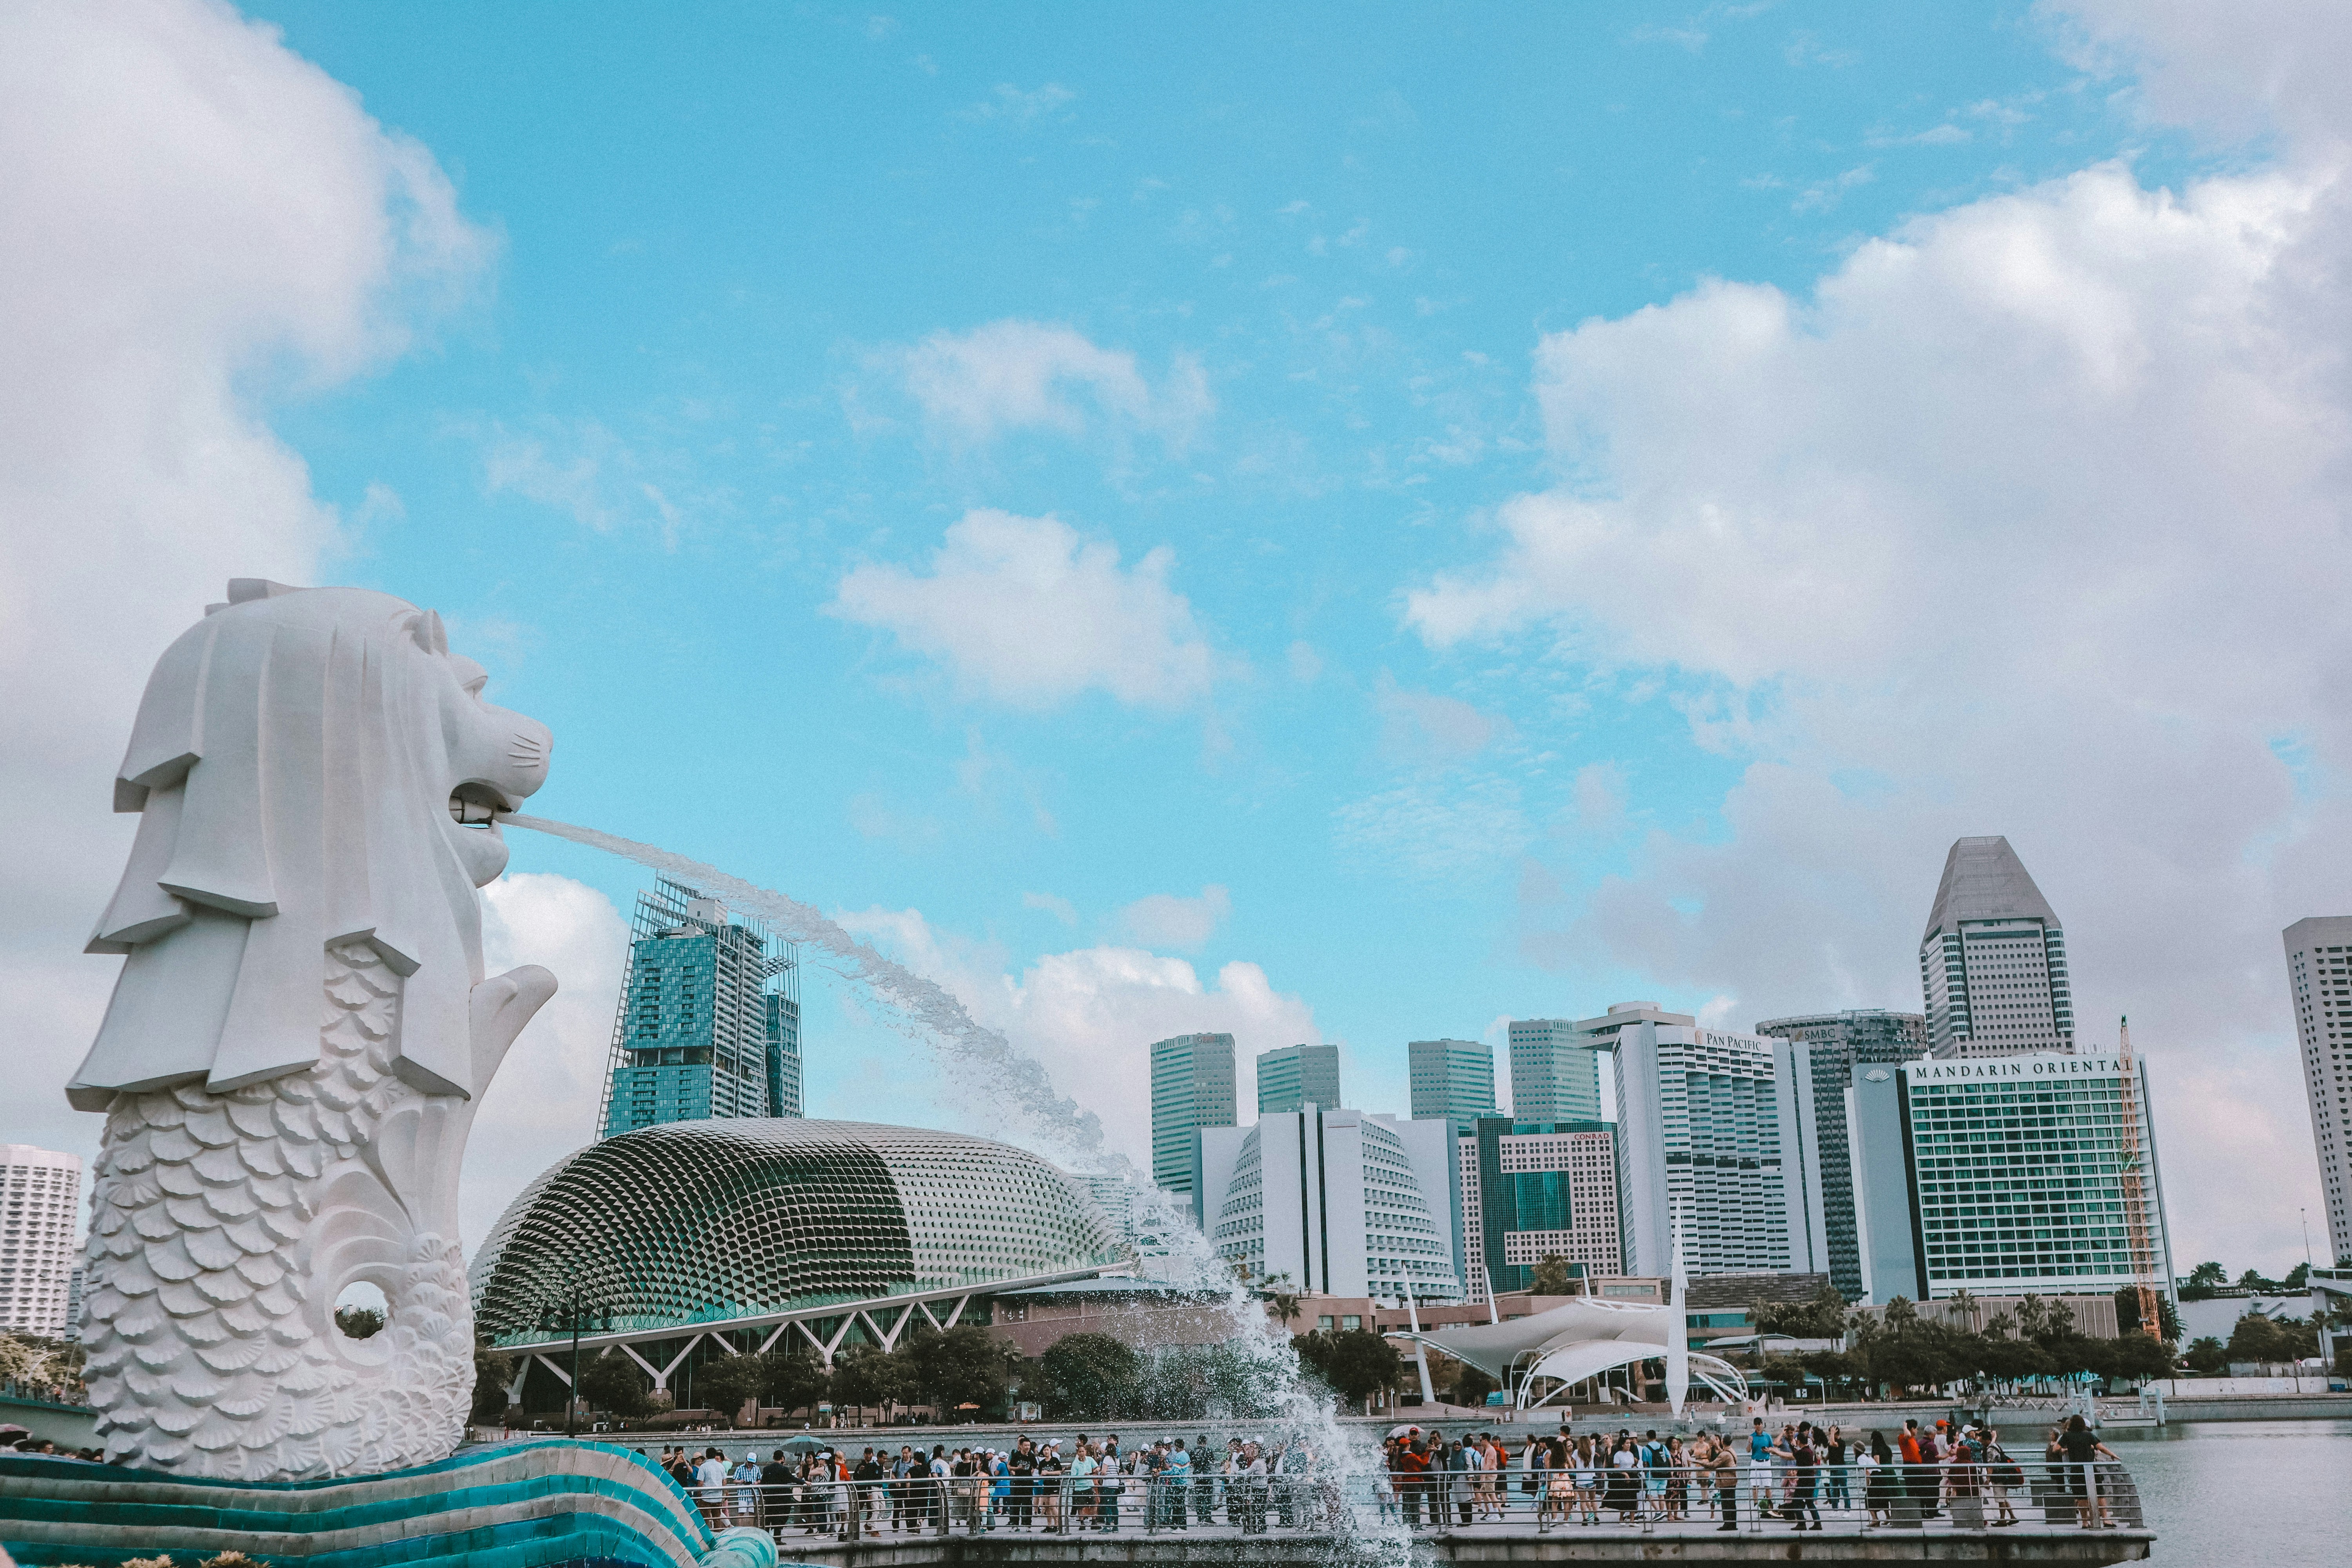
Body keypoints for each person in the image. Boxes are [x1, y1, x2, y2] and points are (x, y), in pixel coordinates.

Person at [2053, 1415, 2120, 1529]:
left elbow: (2056, 1449)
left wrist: (2068, 1448)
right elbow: (2100, 1447)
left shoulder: (2067, 1436)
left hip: (2076, 1470)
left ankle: (2085, 1522)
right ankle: (2106, 1520)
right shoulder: (2088, 1435)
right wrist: (2112, 1454)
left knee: (2081, 1496)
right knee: (2100, 1493)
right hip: (2090, 1468)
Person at [1698, 1434, 1739, 1532]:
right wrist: (1717, 1446)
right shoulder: (1731, 1451)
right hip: (1732, 1481)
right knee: (1731, 1503)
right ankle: (1732, 1524)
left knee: (1726, 1503)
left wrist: (1700, 1462)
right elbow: (1723, 1454)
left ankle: (1728, 1524)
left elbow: (1713, 1465)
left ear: (1723, 1442)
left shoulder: (1725, 1454)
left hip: (1726, 1481)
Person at [1982, 1426, 2022, 1526]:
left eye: (1982, 1440)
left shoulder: (1990, 1450)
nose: (1981, 1442)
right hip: (2004, 1476)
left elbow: (1991, 1466)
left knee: (2000, 1500)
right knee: (2003, 1498)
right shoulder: (1996, 1446)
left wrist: (1988, 1479)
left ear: (1986, 1440)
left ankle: (2002, 1520)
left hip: (1998, 1477)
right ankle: (2012, 1517)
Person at [1786, 1426, 1821, 1530]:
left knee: (1796, 1501)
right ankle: (1817, 1523)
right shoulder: (1809, 1451)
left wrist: (1791, 1445)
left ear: (1799, 1442)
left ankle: (1802, 1523)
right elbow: (1796, 1454)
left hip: (1804, 1481)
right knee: (1810, 1503)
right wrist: (1793, 1446)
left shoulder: (1803, 1452)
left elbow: (1795, 1455)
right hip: (1810, 1480)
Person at [1862, 1432, 1896, 1527]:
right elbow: (1893, 1463)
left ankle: (1875, 1519)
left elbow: (1878, 1464)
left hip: (1881, 1476)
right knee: (1886, 1496)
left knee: (1869, 1496)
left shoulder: (1876, 1450)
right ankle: (1889, 1517)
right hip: (1891, 1475)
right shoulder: (1888, 1449)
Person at [694, 1447, 730, 1528]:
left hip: (706, 1497)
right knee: (717, 1519)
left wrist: (699, 1495)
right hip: (717, 1497)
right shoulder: (721, 1466)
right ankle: (718, 1533)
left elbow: (700, 1483)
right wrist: (723, 1493)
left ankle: (708, 1535)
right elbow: (724, 1481)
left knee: (706, 1520)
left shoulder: (703, 1467)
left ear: (706, 1456)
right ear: (715, 1456)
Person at [1821, 1425, 1849, 1516]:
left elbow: (1833, 1444)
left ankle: (1847, 1510)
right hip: (1833, 1469)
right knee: (1833, 1491)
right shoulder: (1831, 1442)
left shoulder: (1841, 1442)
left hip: (1841, 1469)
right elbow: (1831, 1452)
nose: (1830, 1435)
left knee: (1844, 1490)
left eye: (1831, 1434)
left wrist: (1832, 1433)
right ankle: (1835, 1510)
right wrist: (1825, 1459)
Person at [1663, 1434, 1688, 1523]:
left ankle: (1676, 1515)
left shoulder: (1679, 1454)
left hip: (1678, 1478)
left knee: (1677, 1497)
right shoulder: (1668, 1454)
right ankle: (1670, 1514)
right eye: (1673, 1443)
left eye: (1676, 1443)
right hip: (1671, 1478)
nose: (1676, 1444)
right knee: (1669, 1496)